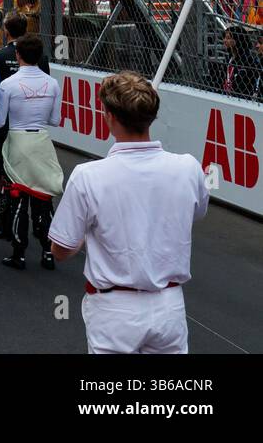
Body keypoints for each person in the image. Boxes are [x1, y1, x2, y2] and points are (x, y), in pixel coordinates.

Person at [49, 72, 209, 354]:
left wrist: (89, 233)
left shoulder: (87, 176)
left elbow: (61, 249)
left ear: (108, 116)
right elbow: (192, 214)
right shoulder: (188, 168)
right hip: (169, 304)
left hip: (114, 309)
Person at [0, 34, 65, 271]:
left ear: (18, 55)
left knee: (18, 197)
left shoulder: (8, 85)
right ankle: (47, 251)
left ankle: (19, 253)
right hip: (42, 142)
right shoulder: (52, 84)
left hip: (18, 142)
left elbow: (0, 121)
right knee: (44, 197)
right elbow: (55, 120)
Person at [0, 12, 51, 238]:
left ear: (6, 30)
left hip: (5, 125)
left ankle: (0, 223)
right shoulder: (41, 58)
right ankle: (37, 225)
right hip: (33, 127)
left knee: (2, 174)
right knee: (34, 176)